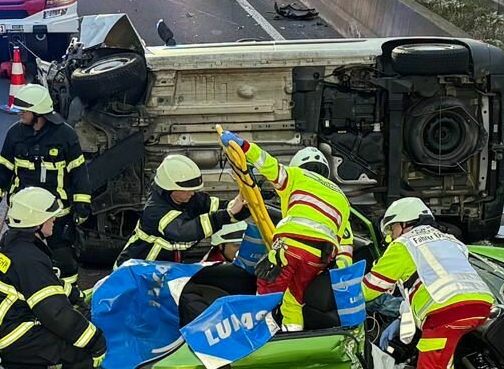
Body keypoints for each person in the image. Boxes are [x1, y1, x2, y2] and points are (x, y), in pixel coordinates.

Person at [363, 197, 498, 369]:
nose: (391, 236)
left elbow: (370, 288)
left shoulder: (403, 246)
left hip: (445, 313)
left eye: (392, 229)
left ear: (403, 223)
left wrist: (342, 295)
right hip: (479, 306)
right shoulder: (449, 240)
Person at [0, 187, 105, 369]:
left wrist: (77, 295)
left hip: (7, 336)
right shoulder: (29, 257)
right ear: (37, 221)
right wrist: (91, 335)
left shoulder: (17, 245)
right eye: (50, 216)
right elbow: (54, 313)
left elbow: (43, 286)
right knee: (87, 348)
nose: (55, 219)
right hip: (18, 335)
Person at [224, 136, 350, 331]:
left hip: (289, 246)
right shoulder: (342, 197)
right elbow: (342, 240)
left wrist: (244, 146)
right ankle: (292, 338)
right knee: (294, 299)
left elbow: (267, 164)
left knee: (268, 289)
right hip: (318, 257)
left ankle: (262, 336)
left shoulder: (296, 176)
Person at [0, 84, 91, 288]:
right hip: (23, 213)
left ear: (39, 113)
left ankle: (69, 298)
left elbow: (79, 173)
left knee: (64, 260)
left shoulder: (65, 136)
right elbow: (3, 168)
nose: (20, 114)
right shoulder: (15, 134)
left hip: (56, 213)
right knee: (16, 255)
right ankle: (20, 294)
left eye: (24, 111)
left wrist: (82, 205)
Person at [117, 153, 230, 266]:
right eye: (186, 190)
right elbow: (183, 231)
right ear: (170, 188)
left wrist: (239, 206)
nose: (192, 193)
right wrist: (225, 216)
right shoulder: (155, 211)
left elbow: (218, 206)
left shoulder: (189, 198)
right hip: (132, 274)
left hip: (159, 272)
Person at [177, 219, 259, 324]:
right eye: (237, 245)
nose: (242, 249)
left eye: (245, 245)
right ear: (220, 246)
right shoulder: (209, 274)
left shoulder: (250, 267)